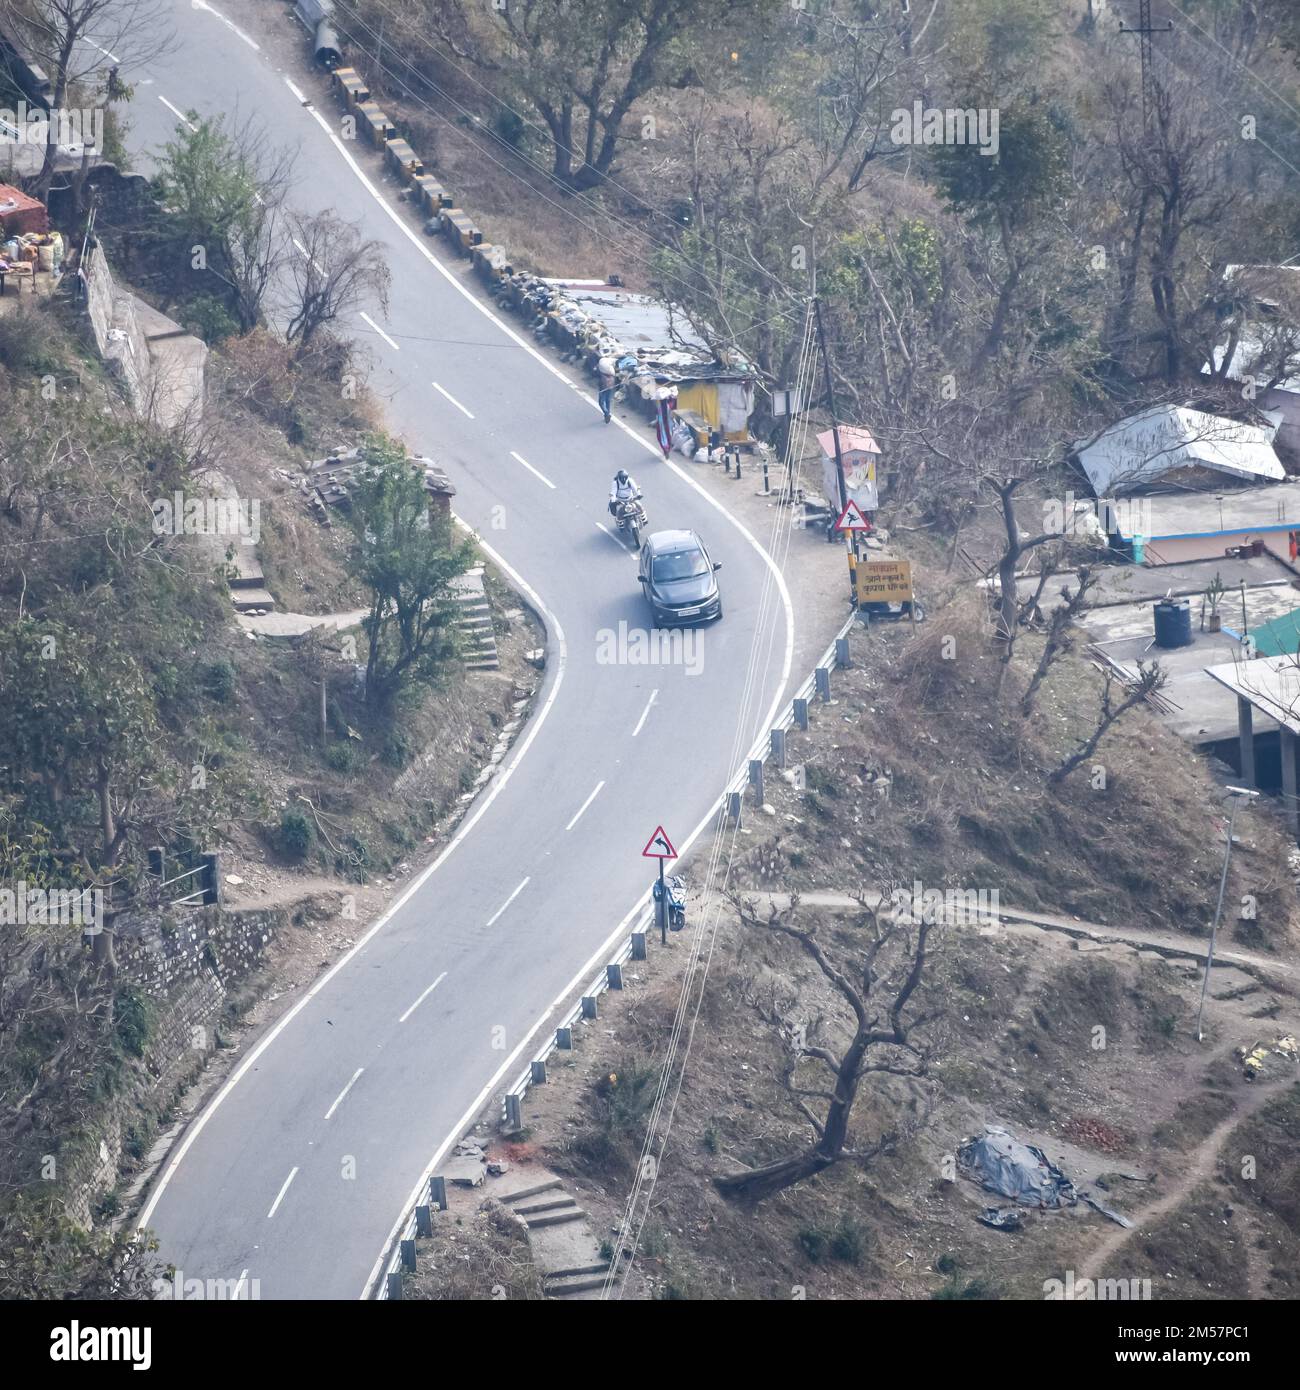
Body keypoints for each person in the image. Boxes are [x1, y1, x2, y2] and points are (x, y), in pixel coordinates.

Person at [597, 355, 617, 423]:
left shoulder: (601, 368)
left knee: (601, 402)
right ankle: (607, 414)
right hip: (611, 384)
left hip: (603, 386)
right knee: (608, 400)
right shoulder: (611, 372)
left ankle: (606, 414)